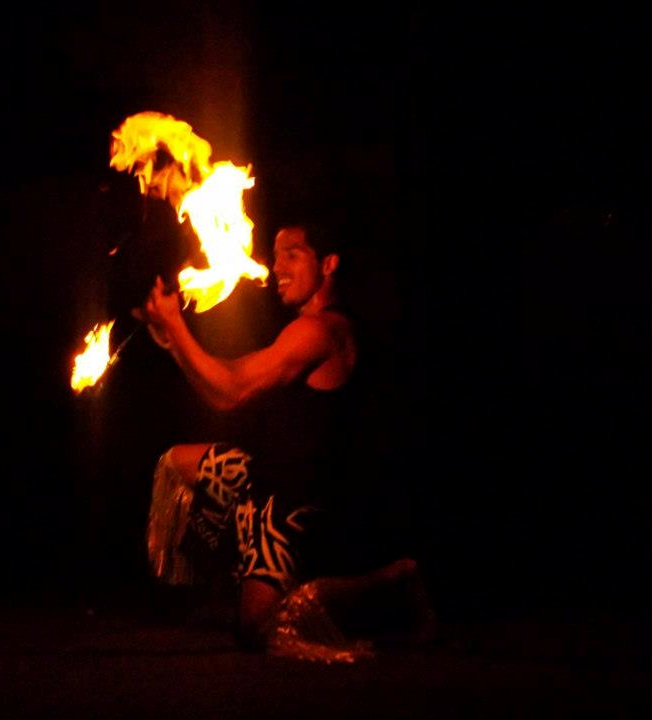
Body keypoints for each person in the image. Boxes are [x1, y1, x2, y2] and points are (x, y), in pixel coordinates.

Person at [134, 219, 435, 650]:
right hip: (272, 475)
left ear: (328, 264)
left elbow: (231, 390)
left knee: (264, 629)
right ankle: (224, 585)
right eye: (275, 256)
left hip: (302, 501)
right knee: (178, 464)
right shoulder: (303, 327)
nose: (277, 267)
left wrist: (177, 327)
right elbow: (223, 384)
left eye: (292, 254)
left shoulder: (320, 331)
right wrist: (173, 339)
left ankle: (391, 583)